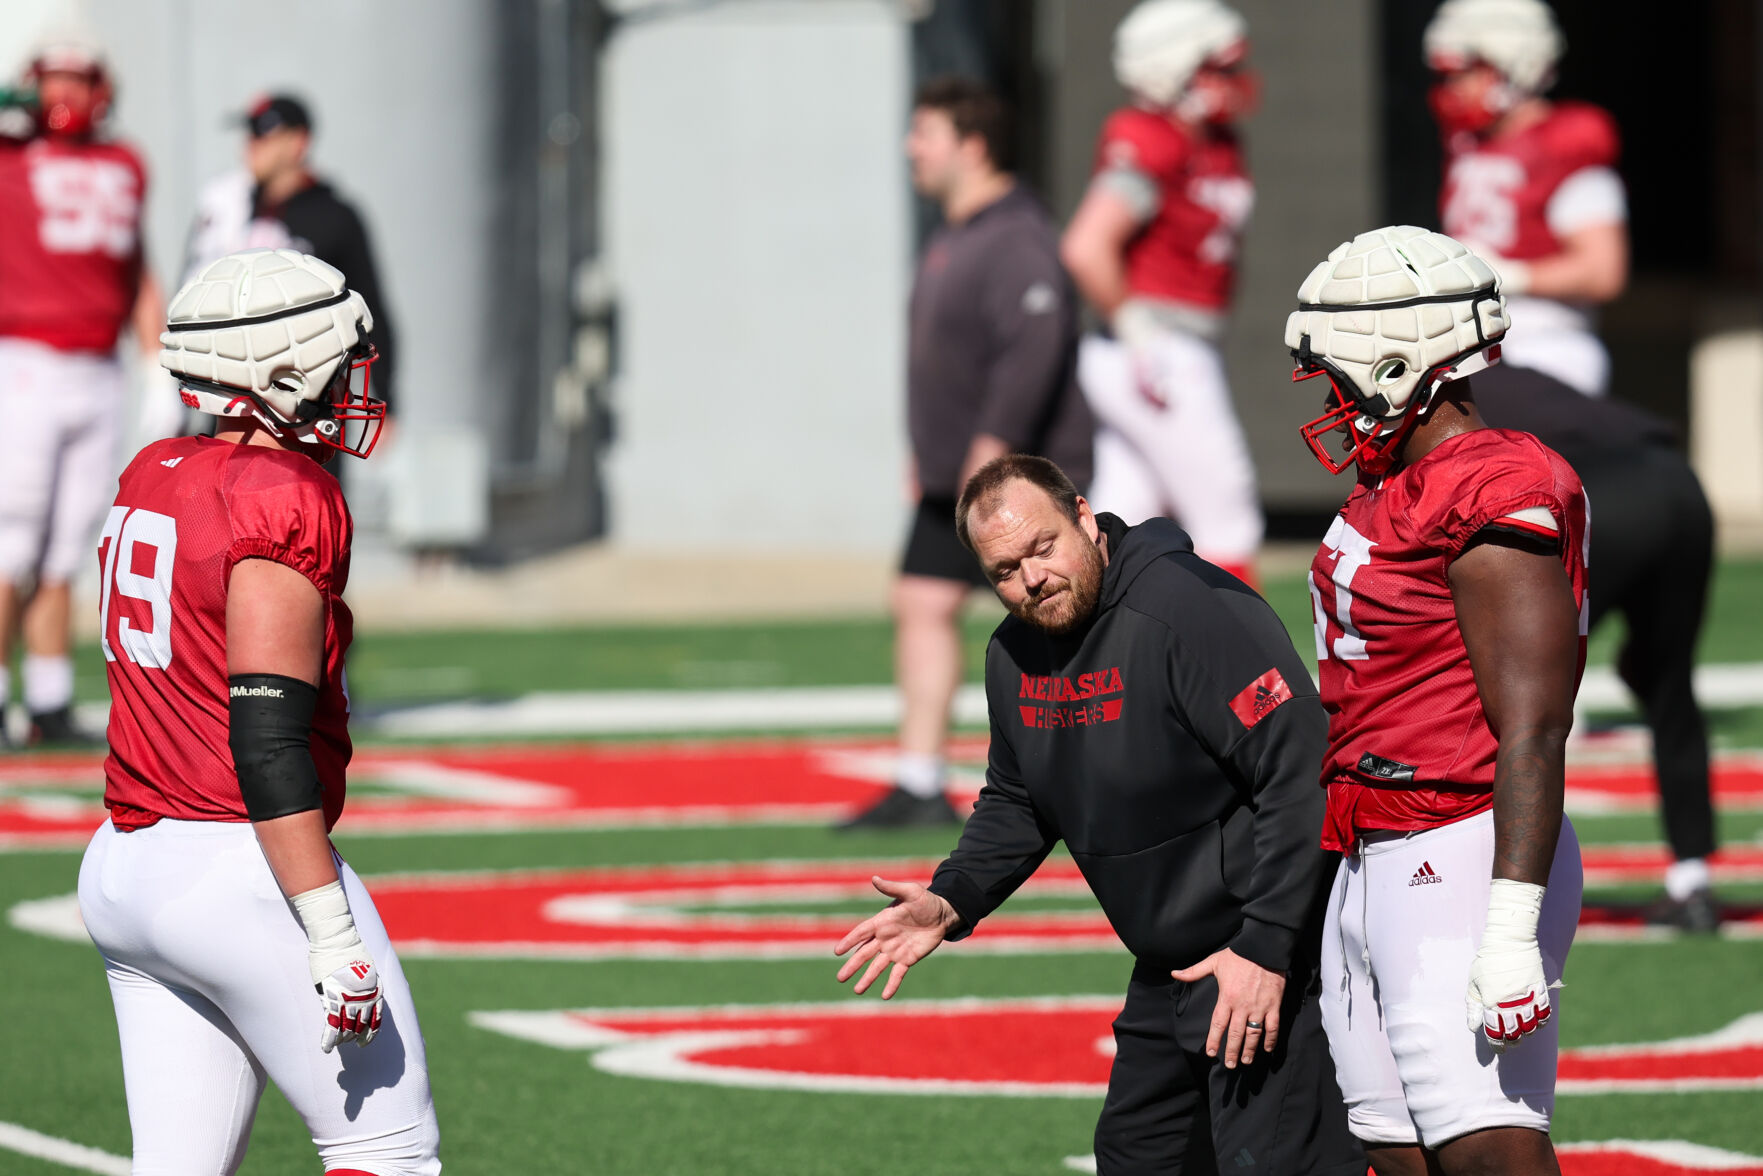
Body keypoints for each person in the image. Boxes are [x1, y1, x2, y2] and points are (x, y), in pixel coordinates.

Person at [834, 454, 1364, 1174]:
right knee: (1134, 1156)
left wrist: (1266, 948)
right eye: (1004, 570)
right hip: (1169, 966)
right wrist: (951, 897)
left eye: (1043, 546)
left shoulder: (1189, 610)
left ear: (1084, 517)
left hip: (1273, 958)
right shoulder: (1012, 655)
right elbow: (1018, 797)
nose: (1031, 577)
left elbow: (1302, 773)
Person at [76, 248, 439, 1173]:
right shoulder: (282, 494)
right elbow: (267, 736)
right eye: (342, 354)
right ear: (282, 369)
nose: (359, 375)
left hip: (127, 866)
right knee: (388, 1155)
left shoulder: (156, 466)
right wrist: (329, 928)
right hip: (238, 867)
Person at [1287, 225, 1588, 1173]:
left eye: (1336, 375)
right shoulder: (1399, 481)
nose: (1331, 401)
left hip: (1457, 843)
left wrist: (1507, 929)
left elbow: (1533, 724)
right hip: (1372, 839)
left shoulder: (1494, 486)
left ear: (1391, 361)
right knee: (1396, 1153)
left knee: (1489, 1153)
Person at [841, 78, 1092, 828]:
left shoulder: (1015, 235)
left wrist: (991, 451)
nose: (909, 149)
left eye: (925, 133)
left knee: (1067, 619)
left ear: (972, 145)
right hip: (955, 475)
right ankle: (919, 780)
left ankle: (1114, 765)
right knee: (919, 599)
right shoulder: (956, 232)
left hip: (1013, 479)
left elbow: (1034, 345)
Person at [1474, 365, 1720, 931]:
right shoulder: (1522, 378)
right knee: (1670, 686)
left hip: (1607, 495)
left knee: (1520, 693)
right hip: (1679, 483)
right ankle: (1693, 881)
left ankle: (1502, 884)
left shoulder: (1447, 401)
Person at [0, 33, 166, 746]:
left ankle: (47, 697)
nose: (65, 95)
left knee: (69, 547)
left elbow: (136, 266)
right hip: (25, 361)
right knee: (10, 543)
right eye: (53, 81)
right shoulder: (9, 156)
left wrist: (155, 358)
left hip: (100, 367)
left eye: (78, 80)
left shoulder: (125, 161)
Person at [1060, 0, 1261, 586]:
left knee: (1121, 525)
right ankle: (1245, 671)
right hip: (1153, 348)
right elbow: (1086, 246)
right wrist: (1139, 332)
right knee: (1228, 519)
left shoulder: (1216, 142)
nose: (1232, 83)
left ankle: (1105, 661)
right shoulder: (1151, 137)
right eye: (1217, 69)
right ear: (1175, 67)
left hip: (1155, 348)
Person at [1426, 0, 1627, 398]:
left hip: (1545, 346)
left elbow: (1603, 271)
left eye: (1467, 72)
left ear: (1516, 65)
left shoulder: (1565, 144)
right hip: (1477, 348)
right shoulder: (1468, 148)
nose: (1454, 89)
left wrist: (1507, 275)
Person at [183, 94, 398, 416]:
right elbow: (192, 293)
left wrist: (386, 397)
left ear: (299, 141)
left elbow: (371, 311)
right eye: (249, 133)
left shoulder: (334, 215)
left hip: (309, 401)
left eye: (263, 133)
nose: (251, 145)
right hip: (233, 395)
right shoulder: (229, 208)